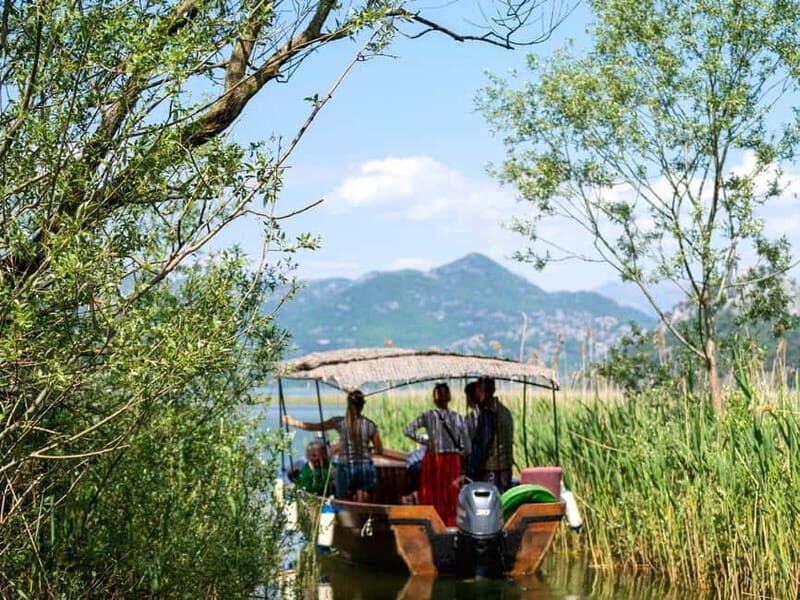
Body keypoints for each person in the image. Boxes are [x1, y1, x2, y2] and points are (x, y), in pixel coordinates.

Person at [283, 390, 383, 502]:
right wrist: (368, 450)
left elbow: (313, 427)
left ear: (348, 404)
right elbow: (380, 450)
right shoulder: (370, 425)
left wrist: (292, 422)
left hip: (346, 466)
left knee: (345, 500)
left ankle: (348, 518)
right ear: (363, 405)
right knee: (363, 499)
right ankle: (362, 518)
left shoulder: (339, 422)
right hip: (365, 465)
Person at [403, 382, 469, 526]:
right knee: (451, 496)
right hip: (452, 460)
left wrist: (426, 442)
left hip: (434, 459)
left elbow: (407, 430)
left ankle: (431, 524)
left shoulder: (427, 415)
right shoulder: (458, 418)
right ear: (449, 397)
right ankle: (451, 526)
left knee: (432, 495)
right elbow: (467, 448)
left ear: (434, 398)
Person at [476, 376, 514, 493]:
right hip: (506, 467)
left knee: (492, 501)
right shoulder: (505, 411)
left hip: (492, 468)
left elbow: (484, 443)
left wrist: (472, 467)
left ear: (482, 390)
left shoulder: (488, 412)